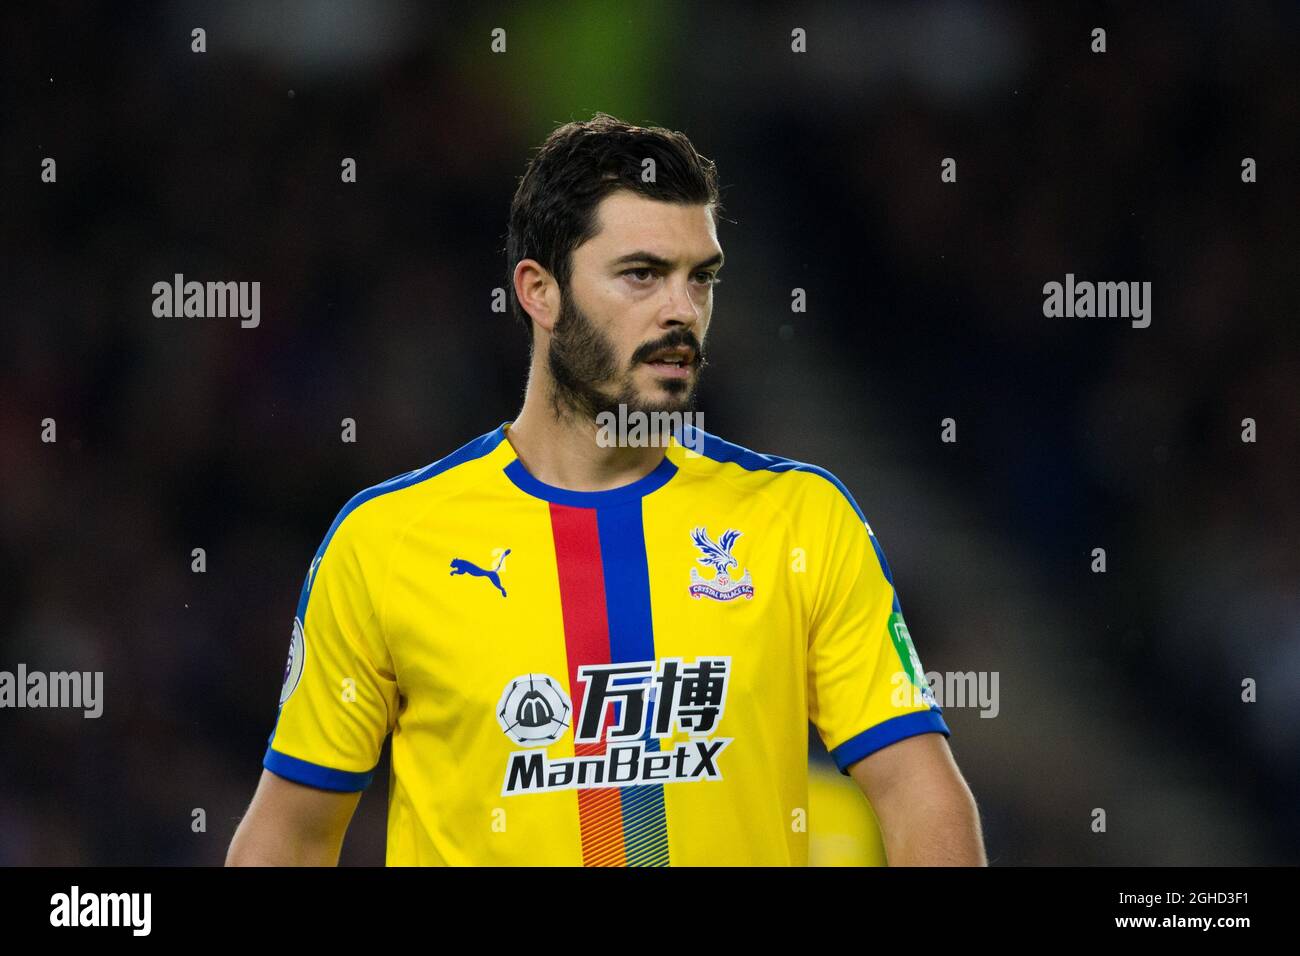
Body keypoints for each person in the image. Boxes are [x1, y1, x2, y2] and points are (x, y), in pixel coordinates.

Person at [227, 112, 986, 866]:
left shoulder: (800, 521)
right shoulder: (386, 543)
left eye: (701, 279)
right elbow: (289, 837)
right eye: (642, 274)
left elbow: (921, 798)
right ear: (540, 291)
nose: (681, 312)